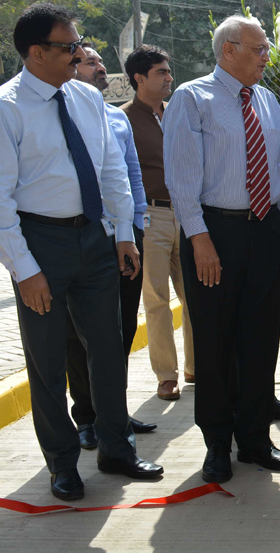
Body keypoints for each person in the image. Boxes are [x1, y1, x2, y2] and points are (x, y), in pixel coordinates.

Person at [0, 3, 162, 501]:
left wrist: (122, 236)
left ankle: (117, 448)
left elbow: (112, 169)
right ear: (35, 52)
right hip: (40, 241)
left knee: (109, 348)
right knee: (47, 361)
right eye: (68, 46)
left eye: (77, 44)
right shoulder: (7, 107)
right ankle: (62, 463)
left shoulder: (88, 100)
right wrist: (25, 270)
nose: (77, 54)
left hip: (94, 238)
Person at [163, 14, 280, 484]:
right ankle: (217, 442)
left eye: (265, 48)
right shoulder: (192, 97)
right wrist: (199, 239)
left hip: (263, 230)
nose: (267, 56)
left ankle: (256, 439)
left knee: (260, 337)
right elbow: (182, 178)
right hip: (214, 232)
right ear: (228, 50)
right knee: (217, 340)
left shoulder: (265, 99)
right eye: (259, 48)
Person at [66, 43, 155, 445]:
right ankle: (86, 418)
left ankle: (114, 416)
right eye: (90, 61)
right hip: (79, 237)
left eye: (101, 61)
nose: (101, 67)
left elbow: (131, 176)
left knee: (119, 328)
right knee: (78, 335)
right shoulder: (61, 115)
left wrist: (135, 226)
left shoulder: (117, 121)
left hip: (122, 238)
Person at [121, 44, 196, 402]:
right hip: (150, 217)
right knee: (156, 300)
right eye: (161, 73)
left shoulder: (179, 112)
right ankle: (167, 376)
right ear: (139, 78)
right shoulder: (121, 118)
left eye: (169, 71)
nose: (169, 78)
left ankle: (199, 367)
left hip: (190, 214)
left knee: (197, 293)